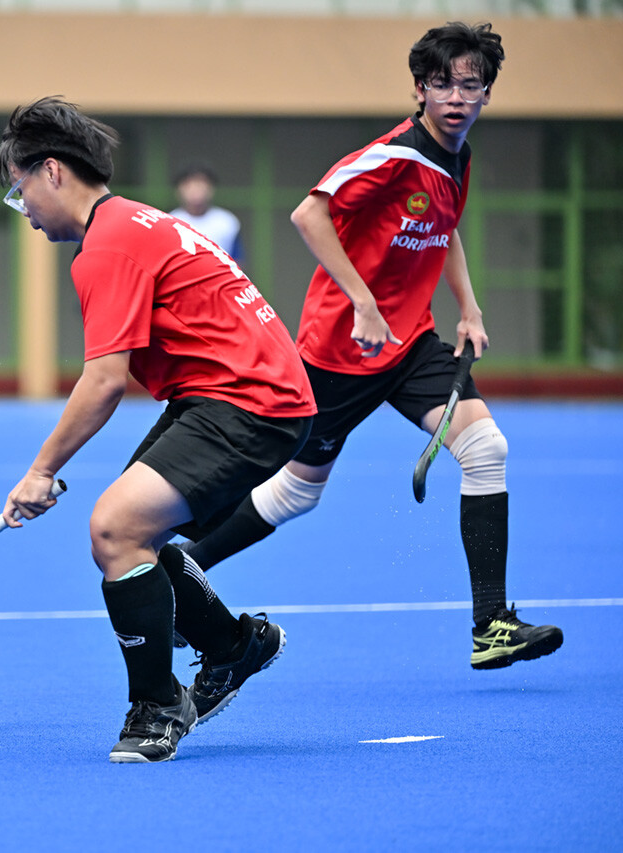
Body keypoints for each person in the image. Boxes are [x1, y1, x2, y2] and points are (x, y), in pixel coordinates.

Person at [178, 22, 563, 671]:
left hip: (410, 343)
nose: (457, 97)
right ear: (419, 89)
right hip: (340, 352)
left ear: (488, 94)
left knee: (485, 448)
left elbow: (443, 228)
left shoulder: (455, 157)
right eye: (442, 83)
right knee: (298, 493)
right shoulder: (396, 154)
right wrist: (361, 299)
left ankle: (490, 623)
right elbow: (310, 214)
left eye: (471, 84)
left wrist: (467, 306)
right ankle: (180, 566)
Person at [0, 97, 317, 763]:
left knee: (115, 528)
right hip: (231, 395)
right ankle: (234, 645)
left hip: (248, 401)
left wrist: (39, 468)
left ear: (51, 172)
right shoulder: (137, 221)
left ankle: (158, 704)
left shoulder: (106, 245)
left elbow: (105, 380)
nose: (20, 207)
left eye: (18, 186)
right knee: (136, 532)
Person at [169, 163, 244, 267]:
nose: (195, 189)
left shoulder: (227, 221)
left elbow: (237, 262)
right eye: (188, 184)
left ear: (211, 188)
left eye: (201, 184)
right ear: (178, 189)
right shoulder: (169, 221)